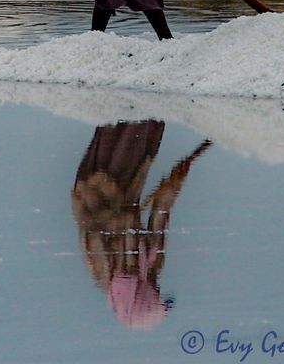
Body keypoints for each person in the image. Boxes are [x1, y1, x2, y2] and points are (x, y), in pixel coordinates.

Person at [71, 120, 211, 329]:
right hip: (127, 184)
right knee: (146, 124)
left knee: (123, 123)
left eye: (154, 297)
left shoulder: (104, 269)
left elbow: (92, 226)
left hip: (101, 184)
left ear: (141, 299)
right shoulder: (151, 266)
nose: (157, 290)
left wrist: (124, 221)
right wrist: (178, 178)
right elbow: (161, 212)